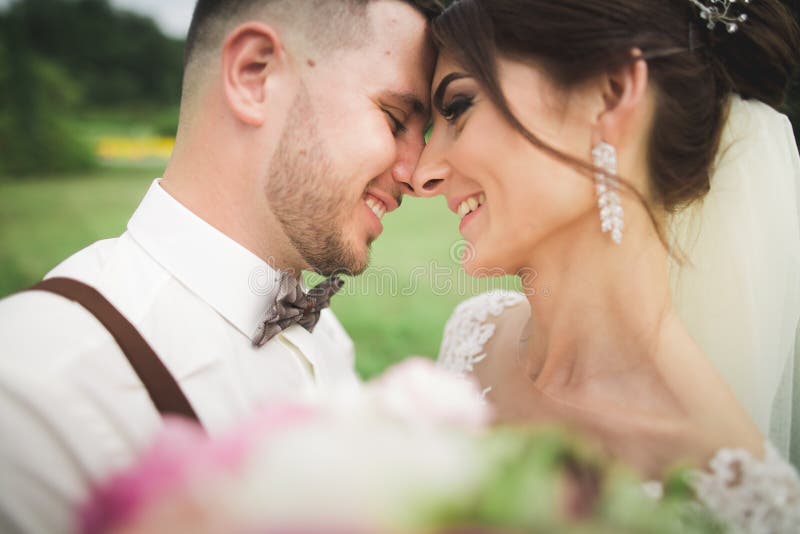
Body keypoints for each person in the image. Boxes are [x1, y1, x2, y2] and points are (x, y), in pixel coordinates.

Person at [0, 1, 439, 532]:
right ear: (254, 75)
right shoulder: (33, 393)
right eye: (395, 120)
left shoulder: (324, 333)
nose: (416, 173)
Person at [411, 0, 800, 530]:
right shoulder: (474, 337)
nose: (423, 172)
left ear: (611, 95)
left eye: (458, 106)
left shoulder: (736, 502)